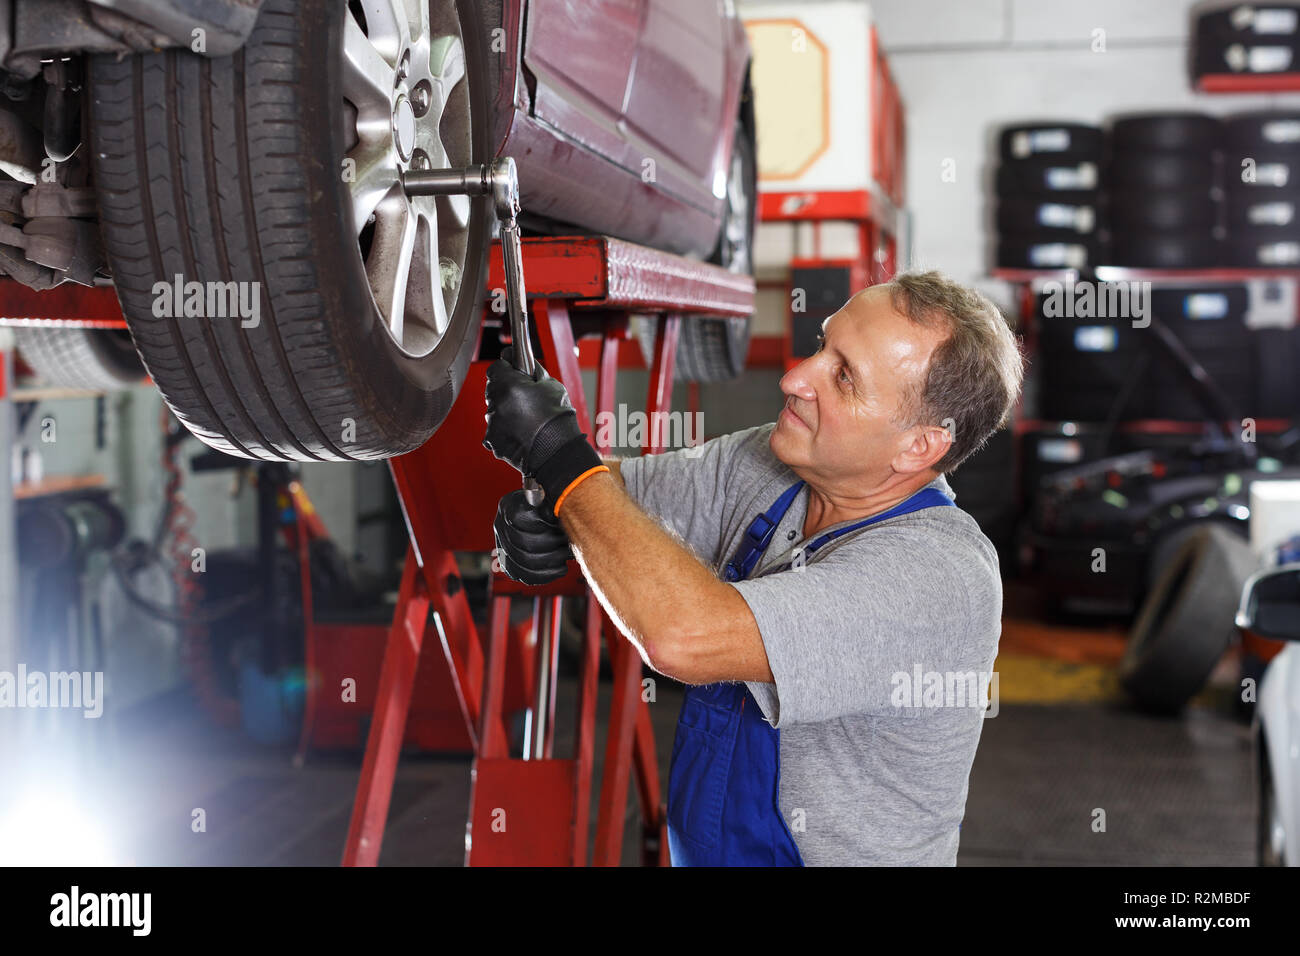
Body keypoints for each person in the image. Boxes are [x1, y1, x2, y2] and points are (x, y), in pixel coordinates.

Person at [483, 270, 1025, 865]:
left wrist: (560, 457)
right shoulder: (770, 465)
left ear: (919, 446)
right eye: (823, 346)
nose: (794, 378)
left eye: (844, 377)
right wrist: (550, 517)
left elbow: (683, 636)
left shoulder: (937, 576)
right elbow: (613, 498)